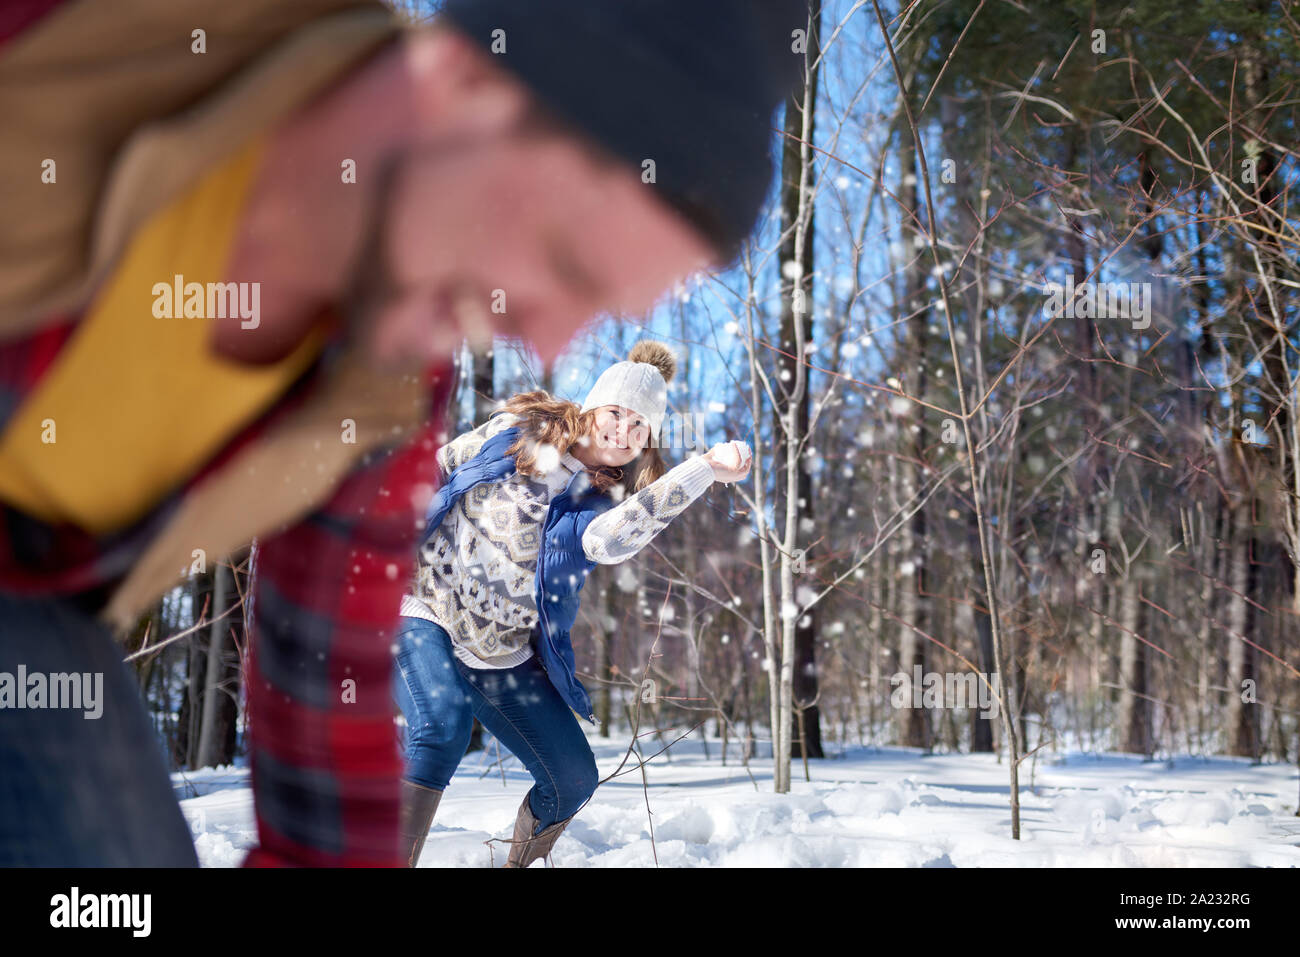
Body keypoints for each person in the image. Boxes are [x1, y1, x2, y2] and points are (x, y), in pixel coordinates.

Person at [0, 0, 803, 865]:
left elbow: (320, 668)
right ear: (470, 83)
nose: (552, 340)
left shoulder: (391, 382)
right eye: (566, 259)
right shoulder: (100, 40)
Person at [393, 341, 753, 867]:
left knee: (572, 776)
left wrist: (702, 470)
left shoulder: (599, 501)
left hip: (501, 653)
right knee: (440, 729)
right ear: (590, 407)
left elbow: (612, 542)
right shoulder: (511, 434)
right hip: (423, 608)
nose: (622, 431)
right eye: (615, 413)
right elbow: (435, 467)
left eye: (639, 426)